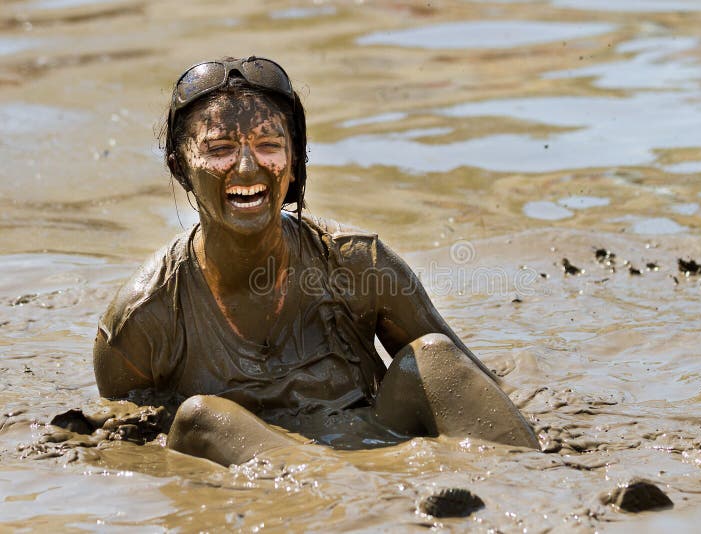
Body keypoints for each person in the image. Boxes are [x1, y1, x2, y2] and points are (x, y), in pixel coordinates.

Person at [93, 57, 539, 466]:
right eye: (219, 149)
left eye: (269, 144)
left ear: (294, 162)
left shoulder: (358, 266)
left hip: (381, 449)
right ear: (178, 167)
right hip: (276, 481)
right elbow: (133, 453)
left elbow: (473, 387)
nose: (247, 167)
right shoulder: (139, 324)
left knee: (433, 358)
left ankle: (531, 484)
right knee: (201, 417)